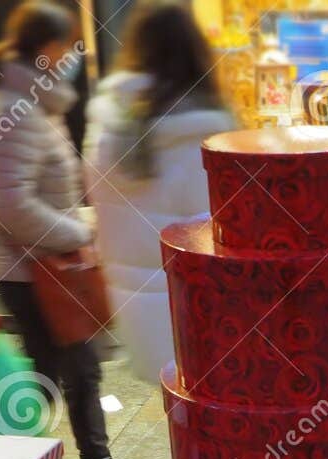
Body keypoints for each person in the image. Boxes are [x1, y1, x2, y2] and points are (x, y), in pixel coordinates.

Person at [0, 1, 156, 459]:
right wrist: (79, 231)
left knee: (73, 374)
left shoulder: (33, 105)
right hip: (32, 271)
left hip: (45, 265)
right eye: (69, 45)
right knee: (55, 379)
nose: (74, 54)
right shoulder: (15, 111)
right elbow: (11, 204)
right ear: (48, 49)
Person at [84, 1, 233, 381]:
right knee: (206, 398)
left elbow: (96, 194)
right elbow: (220, 222)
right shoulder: (206, 127)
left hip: (130, 296)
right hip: (199, 302)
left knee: (170, 390)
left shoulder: (108, 116)